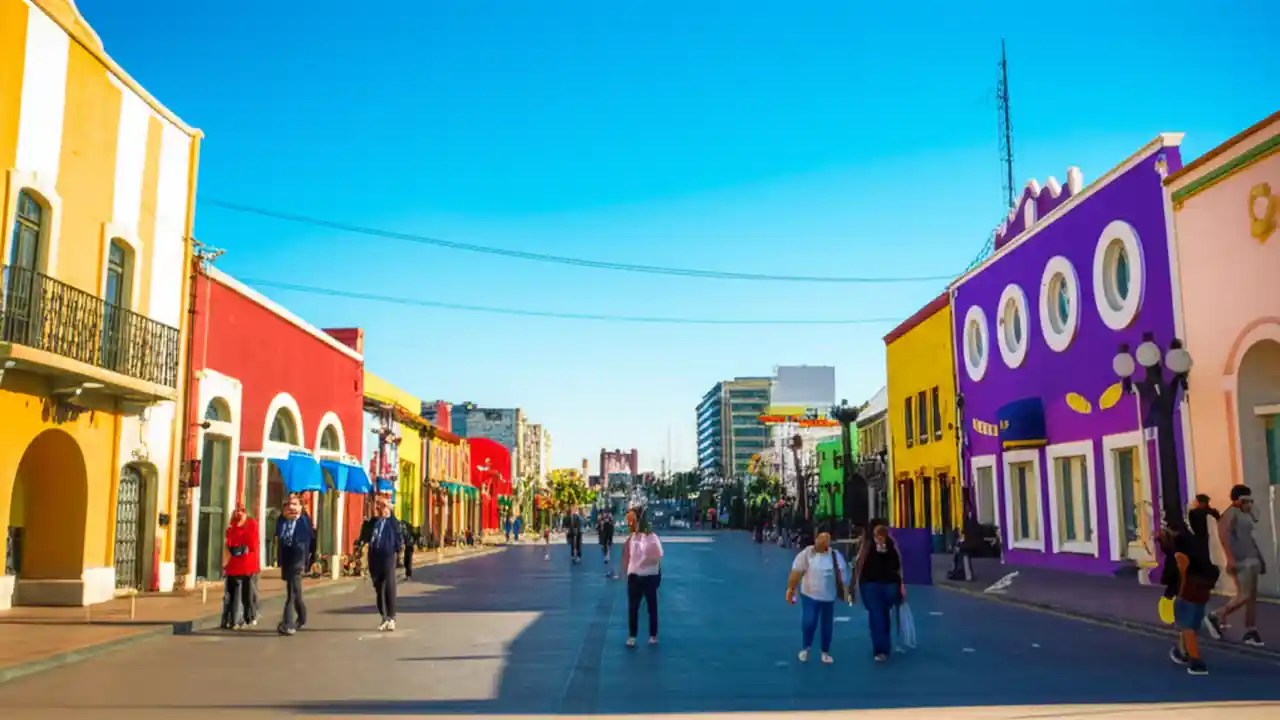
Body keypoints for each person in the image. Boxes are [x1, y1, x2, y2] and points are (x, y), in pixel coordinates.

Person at [1206, 485, 1267, 647]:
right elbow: (1223, 537)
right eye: (1247, 500)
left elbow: (1250, 538)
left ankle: (1251, 630)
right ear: (1238, 500)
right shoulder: (1229, 514)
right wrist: (1230, 559)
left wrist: (1260, 559)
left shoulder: (1245, 515)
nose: (1250, 503)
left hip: (1251, 559)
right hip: (1240, 561)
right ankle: (1217, 614)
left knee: (1251, 597)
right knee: (1244, 595)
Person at [786, 528, 851, 665]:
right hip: (810, 594)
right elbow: (796, 571)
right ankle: (806, 647)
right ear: (816, 539)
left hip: (828, 596)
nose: (823, 540)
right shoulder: (807, 553)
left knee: (827, 625)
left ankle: (825, 651)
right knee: (809, 621)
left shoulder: (835, 556)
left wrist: (846, 592)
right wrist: (791, 588)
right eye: (821, 537)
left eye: (826, 538)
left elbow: (843, 574)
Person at [1161, 523, 1218, 675]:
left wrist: (1180, 593)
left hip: (1188, 593)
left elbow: (1182, 575)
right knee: (1190, 624)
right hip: (1202, 592)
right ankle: (1182, 651)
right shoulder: (1197, 548)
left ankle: (1196, 660)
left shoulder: (1180, 554)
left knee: (1188, 628)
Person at [854, 521, 905, 662]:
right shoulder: (867, 546)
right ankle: (880, 649)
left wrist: (901, 586)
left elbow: (897, 566)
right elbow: (859, 564)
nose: (880, 537)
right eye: (877, 534)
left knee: (882, 614)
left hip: (889, 585)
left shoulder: (891, 545)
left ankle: (884, 646)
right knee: (877, 614)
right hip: (870, 584)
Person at [359, 494, 405, 631]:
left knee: (389, 585)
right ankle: (384, 617)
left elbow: (398, 534)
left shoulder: (392, 522)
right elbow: (364, 536)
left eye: (383, 505)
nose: (380, 508)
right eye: (378, 505)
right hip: (374, 556)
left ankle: (392, 617)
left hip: (388, 556)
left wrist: (390, 513)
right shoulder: (373, 522)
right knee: (379, 587)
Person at [621, 506, 663, 648]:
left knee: (633, 608)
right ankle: (652, 636)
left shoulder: (632, 539)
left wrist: (626, 574)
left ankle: (632, 637)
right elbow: (659, 556)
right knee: (652, 607)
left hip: (635, 576)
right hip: (650, 575)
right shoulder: (653, 537)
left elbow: (626, 558)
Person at [274, 494, 313, 636]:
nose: (291, 507)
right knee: (296, 593)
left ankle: (288, 624)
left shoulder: (303, 522)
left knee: (291, 593)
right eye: (288, 504)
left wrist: (310, 561)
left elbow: (310, 542)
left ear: (300, 507)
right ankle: (302, 617)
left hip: (299, 560)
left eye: (294, 504)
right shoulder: (282, 522)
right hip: (287, 560)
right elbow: (278, 536)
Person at [221, 504, 259, 630]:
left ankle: (250, 616)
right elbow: (227, 545)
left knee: (247, 594)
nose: (238, 513)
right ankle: (231, 619)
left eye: (241, 511)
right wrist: (225, 564)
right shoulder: (231, 527)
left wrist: (242, 547)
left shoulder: (251, 525)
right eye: (236, 511)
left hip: (248, 563)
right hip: (233, 564)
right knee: (231, 593)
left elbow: (253, 544)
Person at [1187, 494, 1220, 563]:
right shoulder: (1214, 512)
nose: (1194, 503)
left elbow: (1192, 526)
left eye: (1196, 501)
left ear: (1202, 503)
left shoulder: (1193, 513)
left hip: (1199, 539)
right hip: (1214, 539)